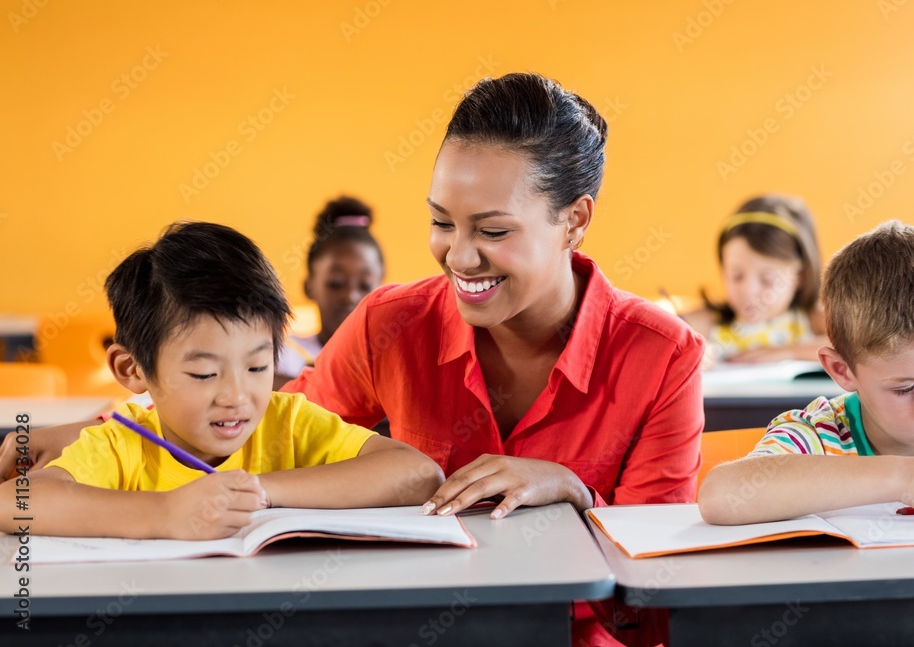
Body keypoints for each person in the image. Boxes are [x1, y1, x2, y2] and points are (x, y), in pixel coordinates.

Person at [1, 74, 702, 645]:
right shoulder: (391, 323)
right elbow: (262, 421)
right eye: (440, 221)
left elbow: (654, 604)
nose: (459, 255)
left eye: (492, 230)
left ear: (574, 220)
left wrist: (574, 488)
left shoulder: (663, 355)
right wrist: (90, 433)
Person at [0, 222, 441, 538]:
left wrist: (258, 491)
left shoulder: (289, 422)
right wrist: (166, 514)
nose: (237, 397)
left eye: (257, 367)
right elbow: (14, 502)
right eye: (205, 373)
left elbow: (419, 473)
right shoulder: (122, 445)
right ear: (132, 370)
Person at [698, 221, 914, 526]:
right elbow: (721, 497)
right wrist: (906, 478)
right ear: (841, 370)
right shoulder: (822, 435)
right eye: (907, 388)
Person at [684, 195, 826, 367]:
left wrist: (787, 352)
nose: (748, 291)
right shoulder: (709, 322)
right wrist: (695, 354)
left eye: (767, 280)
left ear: (801, 276)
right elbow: (665, 340)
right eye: (736, 276)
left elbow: (859, 347)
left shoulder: (812, 319)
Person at [274, 196, 385, 389]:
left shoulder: (390, 356)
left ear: (382, 292)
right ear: (309, 287)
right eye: (336, 283)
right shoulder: (283, 353)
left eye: (365, 285)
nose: (350, 295)